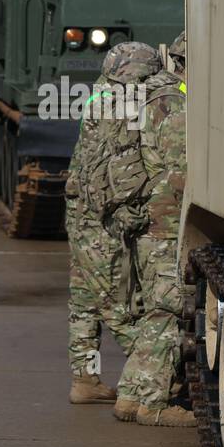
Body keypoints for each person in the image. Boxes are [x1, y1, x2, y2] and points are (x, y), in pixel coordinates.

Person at [105, 31, 194, 426]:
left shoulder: (149, 96)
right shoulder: (173, 101)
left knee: (156, 308)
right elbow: (182, 167)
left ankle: (130, 394)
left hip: (147, 218)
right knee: (169, 308)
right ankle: (153, 405)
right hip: (165, 220)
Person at [65, 42, 161, 404]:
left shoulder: (99, 96)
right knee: (114, 300)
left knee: (85, 298)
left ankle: (85, 379)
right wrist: (133, 214)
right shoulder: (121, 106)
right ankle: (150, 378)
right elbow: (116, 169)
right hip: (98, 217)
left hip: (79, 211)